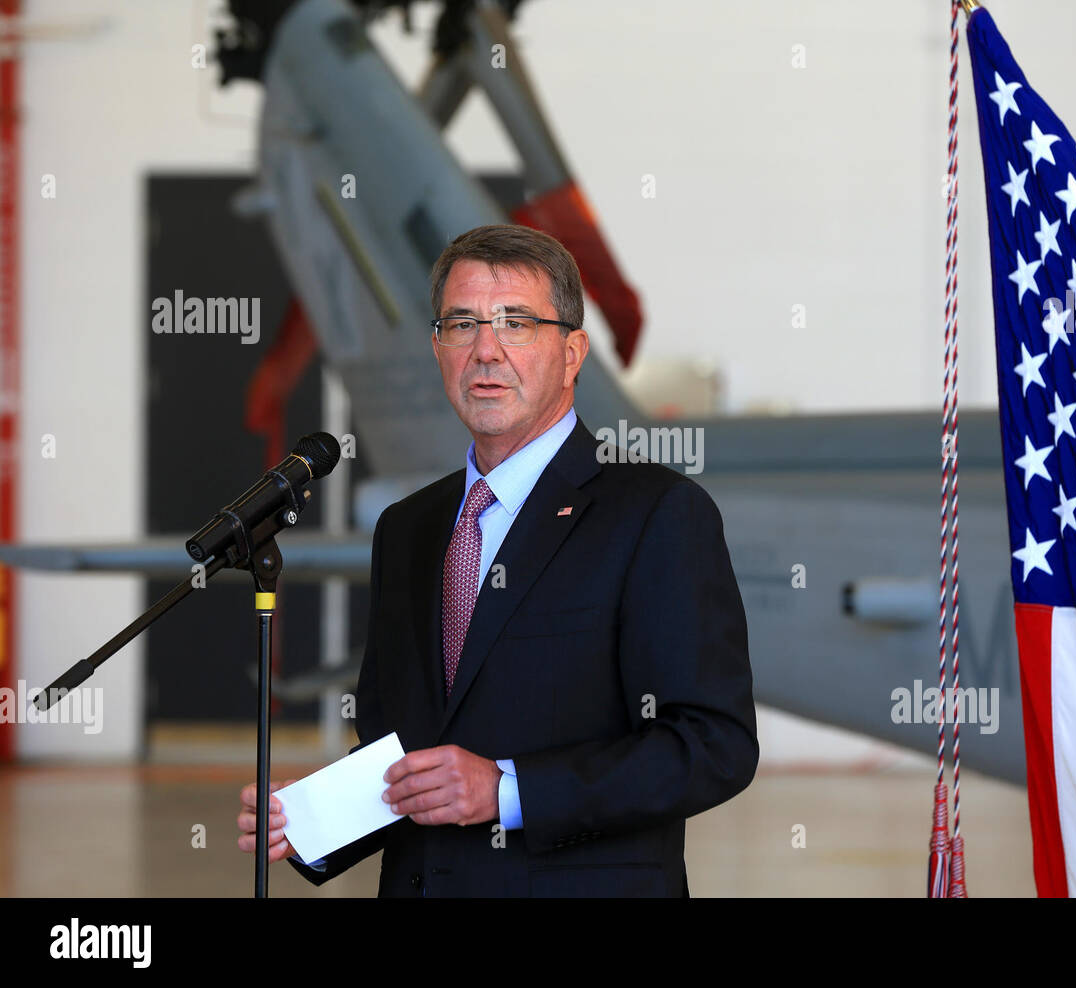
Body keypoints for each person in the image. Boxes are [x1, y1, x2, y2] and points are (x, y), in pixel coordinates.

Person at [236, 223, 759, 896]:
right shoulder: (409, 528)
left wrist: (508, 790)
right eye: (461, 325)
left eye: (516, 324)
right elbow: (409, 752)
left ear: (572, 354)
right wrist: (312, 824)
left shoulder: (656, 514)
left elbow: (713, 746)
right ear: (437, 347)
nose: (485, 351)